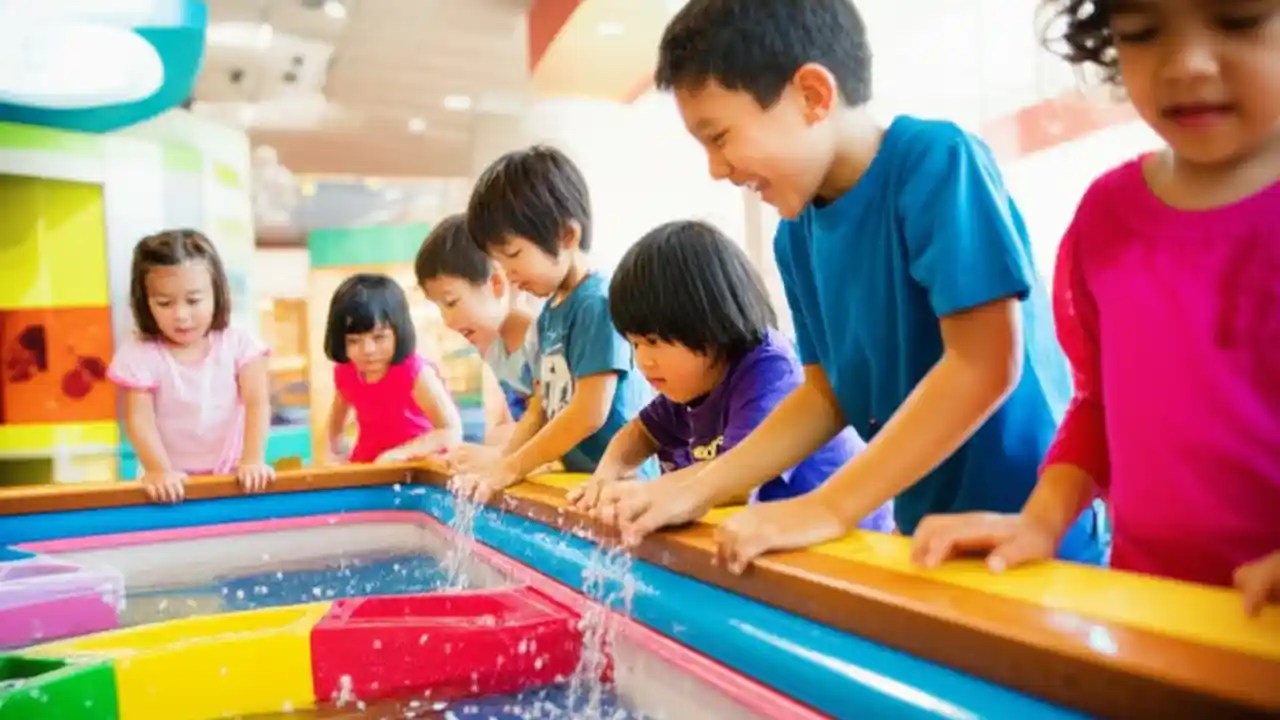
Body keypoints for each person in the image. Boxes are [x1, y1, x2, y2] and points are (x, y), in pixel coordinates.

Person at [614, 0, 1104, 572]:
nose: (716, 170)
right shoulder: (795, 238)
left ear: (812, 96)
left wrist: (830, 506)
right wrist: (700, 485)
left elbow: (985, 362)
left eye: (719, 137)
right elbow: (828, 395)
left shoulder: (935, 161)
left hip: (1034, 527)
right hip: (923, 531)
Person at [913, 0, 1280, 616]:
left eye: (1240, 20)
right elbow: (1099, 405)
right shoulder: (1107, 220)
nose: (1187, 64)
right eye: (1142, 33)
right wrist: (1039, 523)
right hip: (1147, 614)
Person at [569, 220, 895, 532]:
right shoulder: (692, 384)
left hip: (848, 539)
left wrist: (656, 492)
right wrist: (606, 473)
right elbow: (639, 433)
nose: (643, 361)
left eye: (653, 342)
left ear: (709, 322)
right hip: (777, 534)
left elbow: (739, 480)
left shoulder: (768, 370)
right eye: (634, 344)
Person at [448, 145, 652, 500]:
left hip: (623, 483)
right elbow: (540, 407)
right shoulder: (549, 314)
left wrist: (511, 467)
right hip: (578, 482)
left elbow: (590, 411)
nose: (509, 274)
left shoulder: (597, 303)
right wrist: (503, 463)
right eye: (499, 261)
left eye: (513, 255)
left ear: (566, 236)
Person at [107, 230, 273, 503]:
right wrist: (159, 470)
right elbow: (140, 420)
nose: (181, 315)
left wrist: (252, 460)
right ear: (145, 303)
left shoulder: (240, 344)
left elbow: (257, 403)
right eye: (164, 303)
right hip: (169, 479)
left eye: (194, 301)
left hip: (234, 475)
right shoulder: (139, 354)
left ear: (217, 293)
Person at [415, 213, 538, 443]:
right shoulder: (494, 350)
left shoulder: (540, 340)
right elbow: (505, 428)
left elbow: (551, 428)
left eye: (451, 302)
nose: (447, 321)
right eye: (440, 307)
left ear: (495, 283)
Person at [323, 273, 462, 464]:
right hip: (369, 464)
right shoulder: (347, 371)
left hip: (418, 465)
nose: (368, 350)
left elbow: (451, 431)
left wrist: (400, 454)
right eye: (354, 341)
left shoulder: (414, 372)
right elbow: (336, 422)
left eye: (379, 337)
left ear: (399, 332)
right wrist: (335, 453)